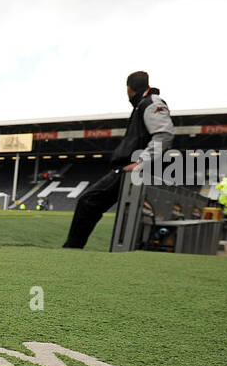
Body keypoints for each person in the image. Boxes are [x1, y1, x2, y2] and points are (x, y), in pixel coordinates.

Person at [62, 70, 174, 248]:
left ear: (129, 88)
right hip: (131, 168)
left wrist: (140, 162)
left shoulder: (151, 103)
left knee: (88, 201)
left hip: (131, 169)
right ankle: (75, 247)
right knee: (95, 204)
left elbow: (164, 135)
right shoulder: (143, 104)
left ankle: (72, 248)